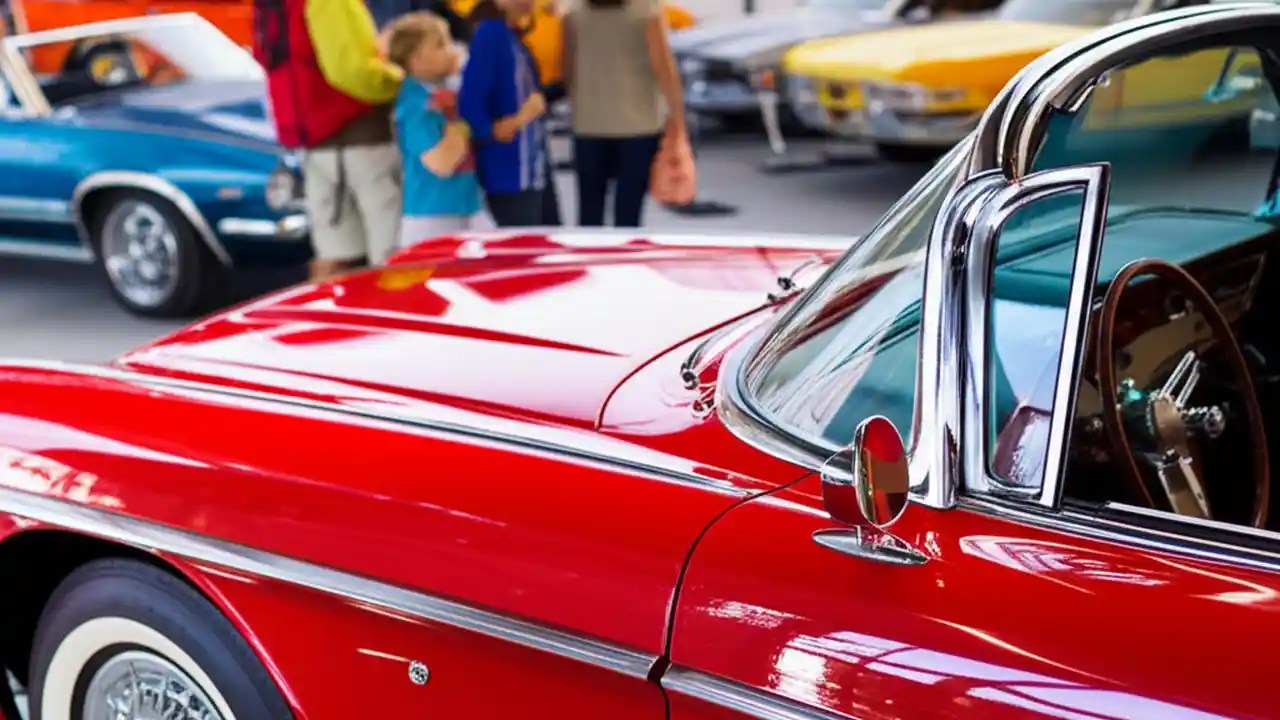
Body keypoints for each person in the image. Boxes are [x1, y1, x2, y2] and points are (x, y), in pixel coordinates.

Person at [252, 0, 405, 281]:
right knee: (394, 258)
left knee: (336, 262)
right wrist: (404, 81)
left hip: (314, 146)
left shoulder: (269, 6)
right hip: (362, 141)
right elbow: (352, 71)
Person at [563, 0, 684, 228]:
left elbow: (568, 70)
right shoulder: (648, 11)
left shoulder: (574, 16)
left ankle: (591, 259)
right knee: (629, 214)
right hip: (639, 128)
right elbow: (665, 70)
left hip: (588, 126)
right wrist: (678, 121)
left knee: (589, 214)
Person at [385, 12, 486, 244]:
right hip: (432, 216)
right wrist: (462, 125)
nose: (452, 50)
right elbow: (442, 162)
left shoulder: (443, 93)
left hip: (464, 206)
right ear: (416, 61)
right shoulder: (415, 105)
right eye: (441, 44)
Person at [459, 0, 561, 227]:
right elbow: (471, 99)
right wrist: (496, 130)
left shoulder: (511, 35)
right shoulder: (491, 33)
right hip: (510, 171)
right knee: (525, 247)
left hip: (532, 166)